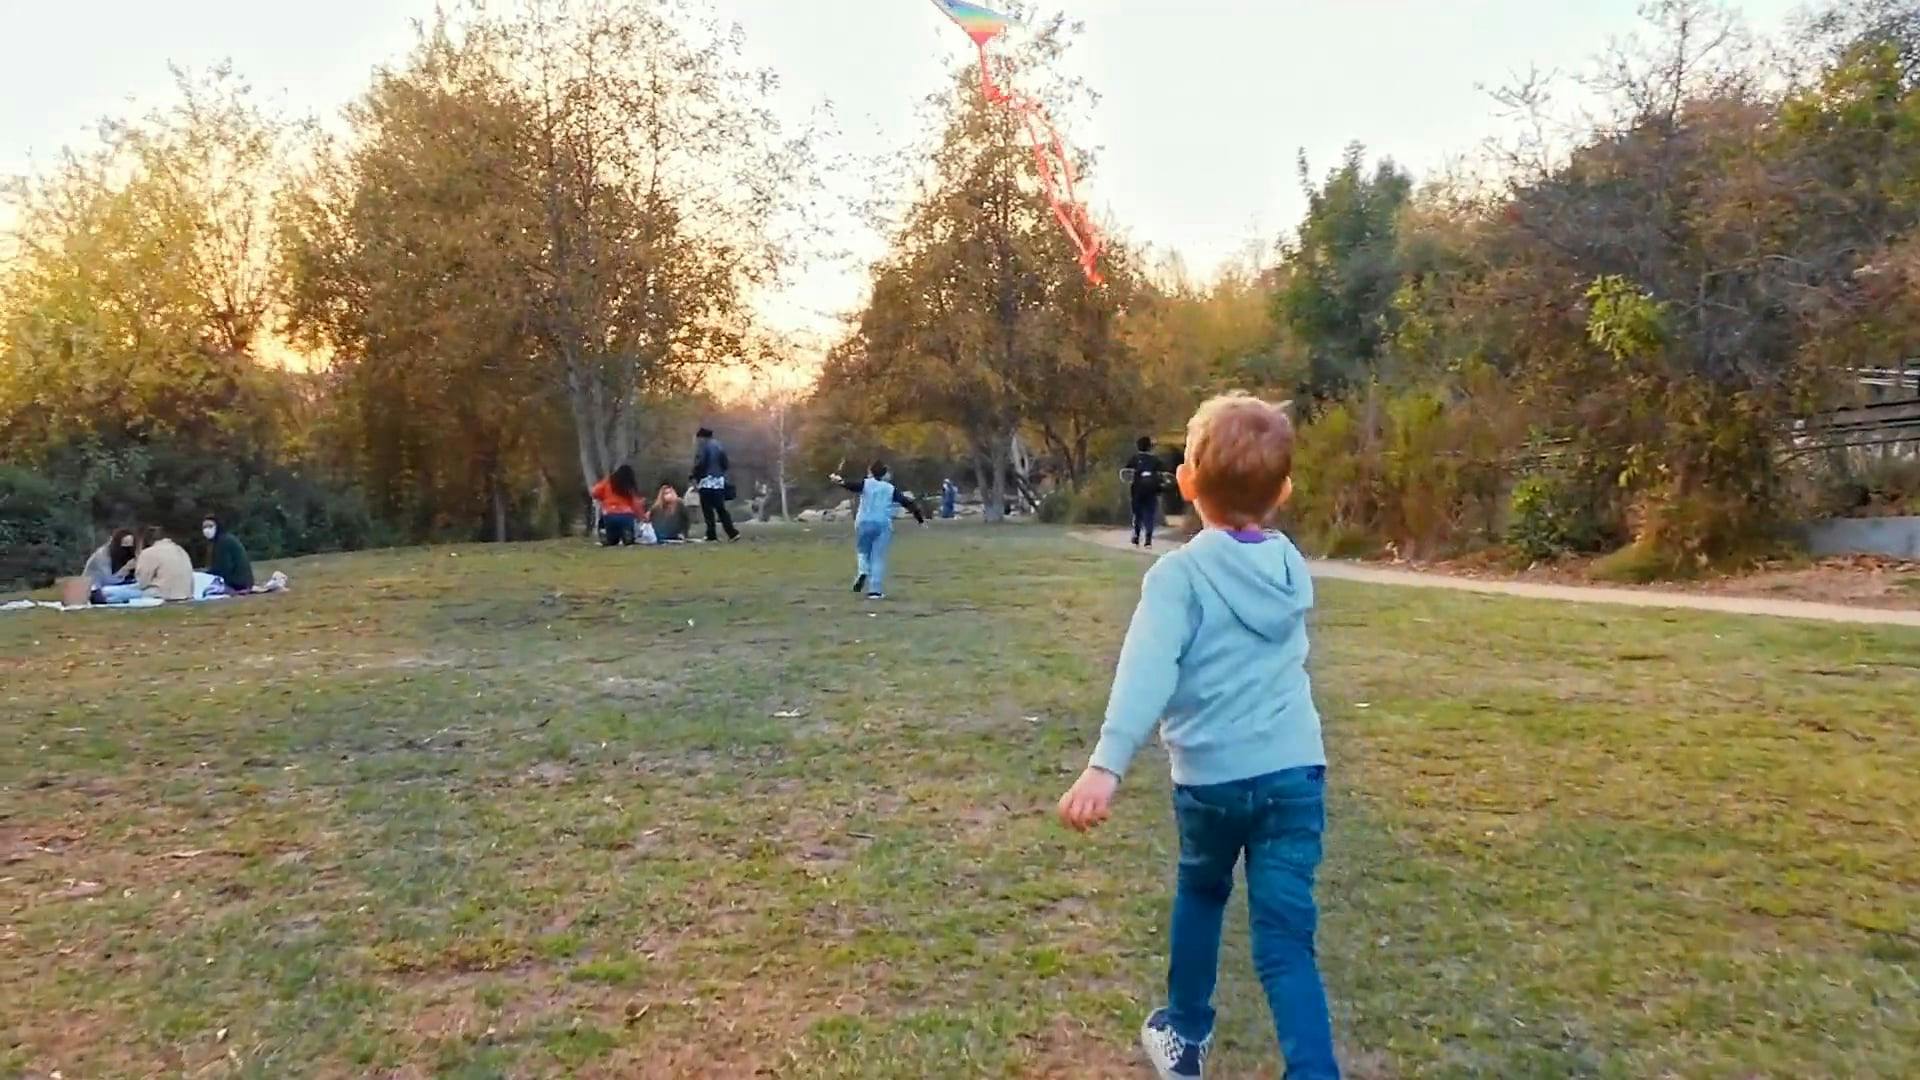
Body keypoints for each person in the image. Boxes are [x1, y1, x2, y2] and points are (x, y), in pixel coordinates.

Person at [1058, 396, 1337, 1080]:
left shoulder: (1179, 576)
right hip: (1295, 776)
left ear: (1185, 482)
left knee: (1203, 892)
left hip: (1212, 783)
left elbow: (1145, 672)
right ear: (1285, 492)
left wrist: (1107, 764)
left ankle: (1185, 1034)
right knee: (1285, 944)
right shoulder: (1288, 569)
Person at [830, 462, 924, 600]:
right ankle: (875, 591)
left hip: (863, 522)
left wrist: (840, 481)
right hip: (882, 524)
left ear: (871, 472)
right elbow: (907, 502)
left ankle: (862, 571)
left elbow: (852, 486)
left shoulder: (866, 484)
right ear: (884, 474)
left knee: (863, 552)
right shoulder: (890, 488)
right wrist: (920, 519)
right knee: (878, 558)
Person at [690, 427, 740, 543]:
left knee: (707, 510)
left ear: (701, 437)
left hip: (706, 481)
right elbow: (725, 464)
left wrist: (693, 474)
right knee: (721, 509)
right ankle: (732, 533)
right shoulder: (719, 446)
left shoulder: (703, 446)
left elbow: (700, 463)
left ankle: (711, 534)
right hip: (718, 482)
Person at [133, 525, 196, 602]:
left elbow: (142, 582)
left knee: (121, 593)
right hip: (186, 594)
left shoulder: (149, 552)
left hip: (162, 595)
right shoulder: (180, 549)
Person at [591, 465, 646, 547]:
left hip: (610, 513)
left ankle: (611, 539)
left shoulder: (609, 481)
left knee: (612, 539)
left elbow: (595, 492)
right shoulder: (629, 486)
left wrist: (603, 498)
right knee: (628, 532)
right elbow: (636, 503)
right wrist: (641, 516)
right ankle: (627, 536)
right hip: (626, 515)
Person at [83, 528, 143, 604]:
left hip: (119, 587)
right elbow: (107, 581)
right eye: (125, 546)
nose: (127, 551)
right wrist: (125, 569)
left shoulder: (126, 556)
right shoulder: (102, 556)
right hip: (98, 589)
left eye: (130, 547)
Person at [1127, 436, 1167, 548]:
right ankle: (1148, 541)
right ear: (1150, 447)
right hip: (1151, 491)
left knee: (1137, 514)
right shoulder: (1155, 460)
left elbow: (1127, 473)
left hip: (1137, 491)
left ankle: (1136, 536)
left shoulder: (1134, 459)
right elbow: (1163, 474)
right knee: (1149, 515)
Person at [200, 515, 255, 591]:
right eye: (204, 527)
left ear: (217, 527)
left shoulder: (223, 542)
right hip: (242, 581)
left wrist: (207, 576)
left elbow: (224, 567)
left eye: (210, 526)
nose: (207, 530)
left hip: (237, 583)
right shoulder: (221, 540)